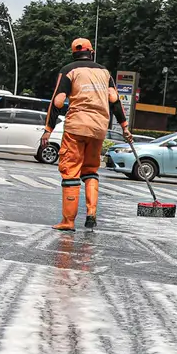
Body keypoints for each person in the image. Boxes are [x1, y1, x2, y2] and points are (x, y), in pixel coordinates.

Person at [41, 38, 133, 231]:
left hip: (76, 127)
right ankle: (91, 214)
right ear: (91, 52)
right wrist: (124, 127)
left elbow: (57, 101)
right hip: (99, 128)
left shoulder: (69, 70)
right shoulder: (104, 72)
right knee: (91, 170)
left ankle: (68, 221)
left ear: (73, 53)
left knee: (70, 170)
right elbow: (115, 100)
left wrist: (48, 130)